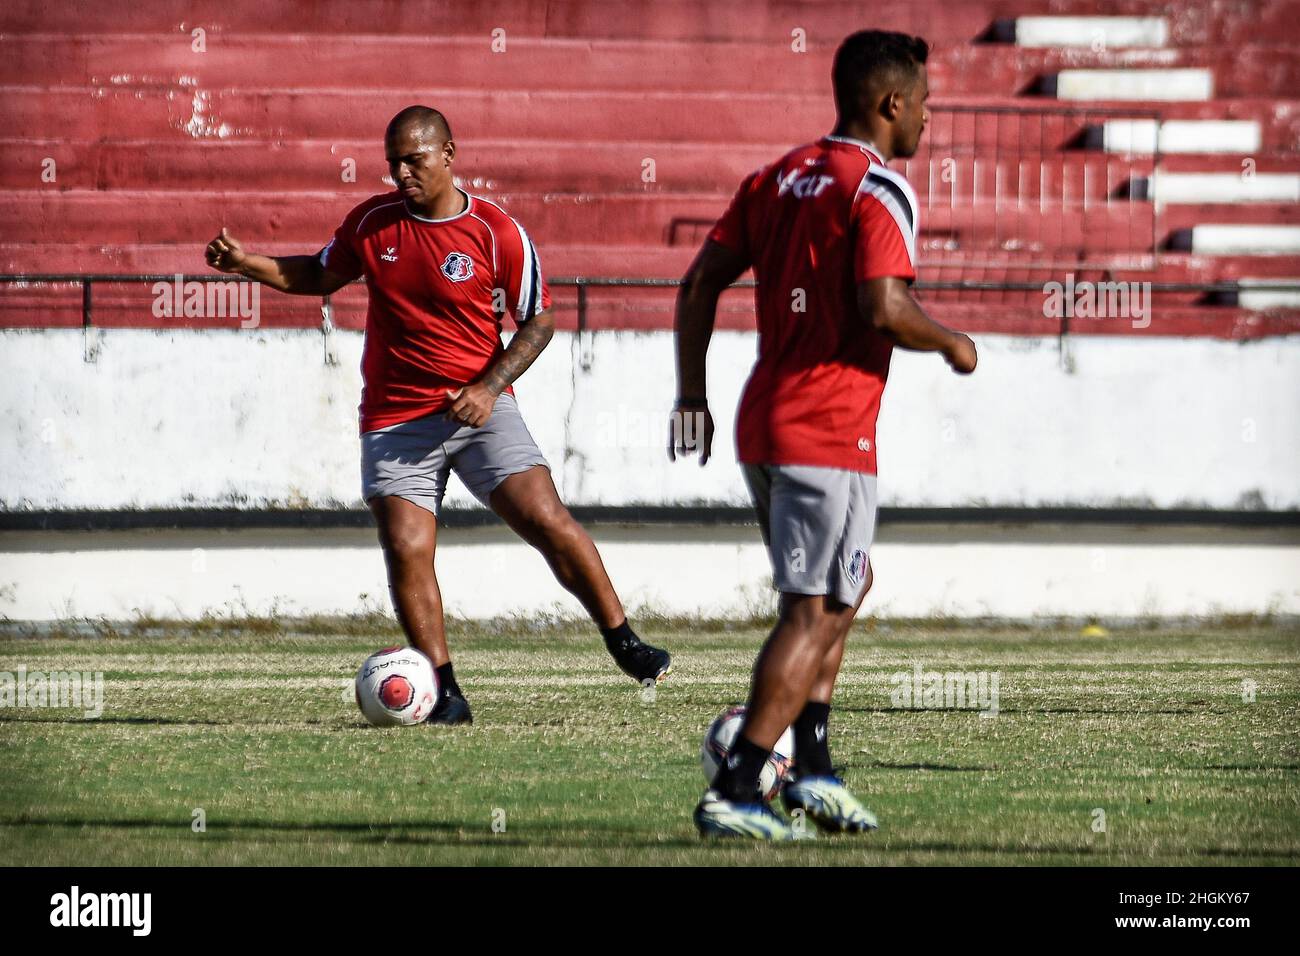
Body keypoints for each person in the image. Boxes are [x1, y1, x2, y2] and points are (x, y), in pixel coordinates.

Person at [206, 105, 671, 725]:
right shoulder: (371, 223)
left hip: (480, 409)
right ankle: (444, 690)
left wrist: (488, 385)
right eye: (393, 161)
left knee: (545, 519)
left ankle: (623, 640)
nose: (401, 172)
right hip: (397, 418)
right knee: (407, 546)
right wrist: (248, 266)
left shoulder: (496, 231)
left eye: (414, 160)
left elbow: (540, 319)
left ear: (448, 154)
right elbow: (319, 274)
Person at [670, 31, 977, 838]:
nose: (927, 121)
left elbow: (701, 279)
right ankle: (736, 790)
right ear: (890, 104)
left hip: (767, 415)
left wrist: (691, 391)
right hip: (823, 427)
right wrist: (951, 340)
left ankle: (813, 772)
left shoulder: (777, 177)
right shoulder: (876, 187)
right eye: (925, 105)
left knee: (846, 587)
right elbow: (884, 307)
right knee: (809, 610)